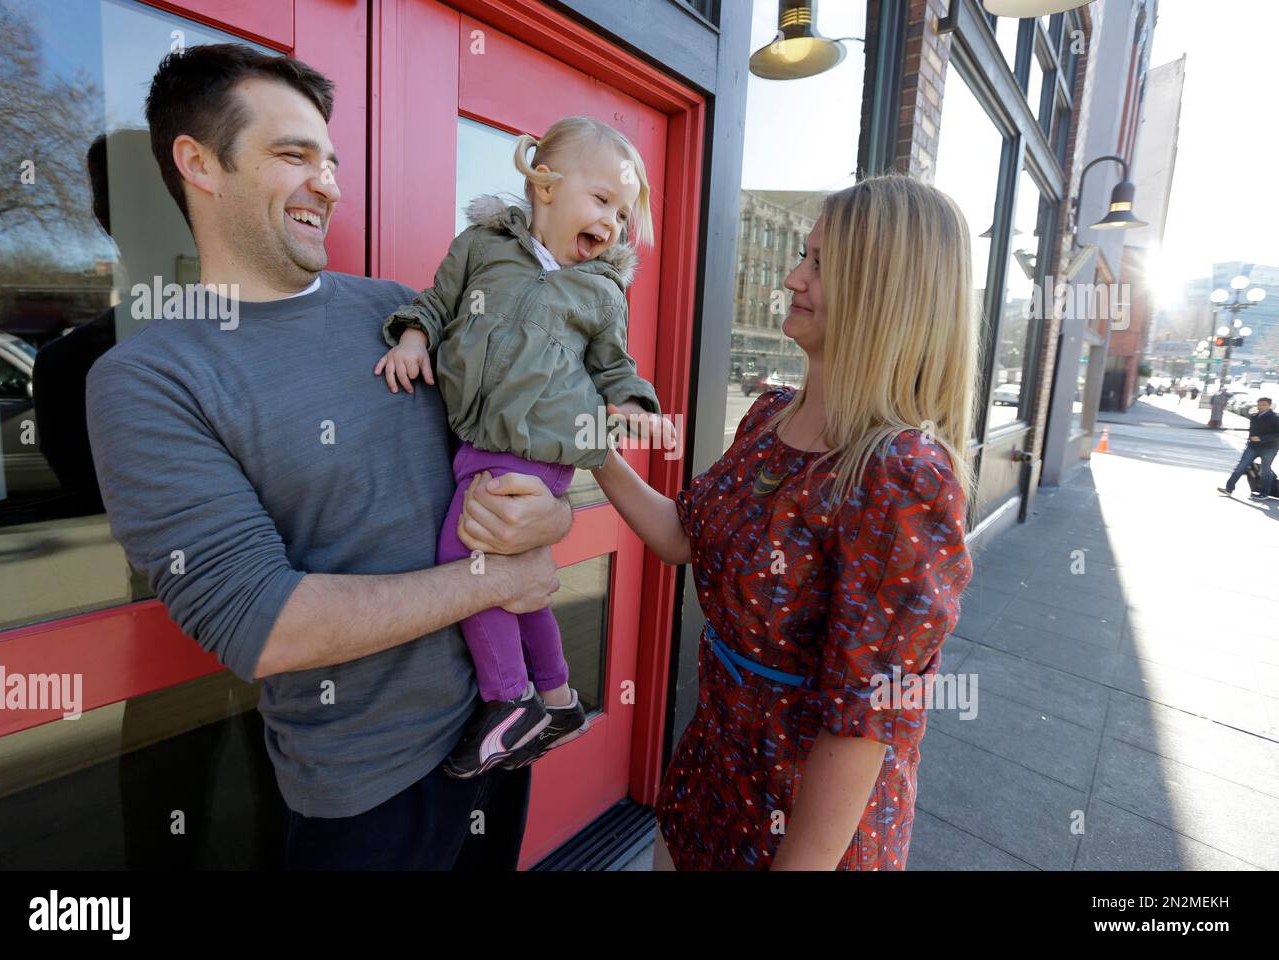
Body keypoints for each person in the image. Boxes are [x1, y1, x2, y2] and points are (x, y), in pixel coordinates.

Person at [85, 43, 571, 870]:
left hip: (501, 730)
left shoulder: (397, 312)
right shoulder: (149, 378)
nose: (330, 184)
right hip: (366, 788)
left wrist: (547, 512)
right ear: (199, 164)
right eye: (293, 155)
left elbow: (512, 453)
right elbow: (262, 624)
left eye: (332, 159)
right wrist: (498, 580)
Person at [593, 174, 976, 870]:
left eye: (822, 264)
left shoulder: (904, 474)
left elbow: (863, 726)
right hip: (706, 777)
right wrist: (592, 448)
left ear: (885, 291)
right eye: (804, 254)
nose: (794, 277)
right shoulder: (769, 416)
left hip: (800, 826)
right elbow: (683, 534)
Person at [376, 116, 672, 777]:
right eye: (602, 202)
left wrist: (630, 404)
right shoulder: (483, 247)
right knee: (518, 582)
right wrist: (414, 338)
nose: (614, 225)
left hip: (540, 448)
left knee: (466, 557)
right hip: (476, 440)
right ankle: (560, 698)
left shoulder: (600, 289)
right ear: (543, 183)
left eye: (623, 215)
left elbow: (614, 365)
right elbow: (435, 303)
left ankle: (509, 700)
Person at [1218, 397, 1279, 499]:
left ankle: (1264, 493)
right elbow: (1252, 431)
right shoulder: (1254, 416)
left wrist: (1261, 438)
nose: (1260, 407)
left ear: (1269, 406)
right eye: (1259, 404)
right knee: (1241, 467)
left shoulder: (1275, 418)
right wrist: (1249, 441)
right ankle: (1229, 489)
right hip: (1252, 447)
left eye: (1263, 405)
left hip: (1269, 448)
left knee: (1265, 471)